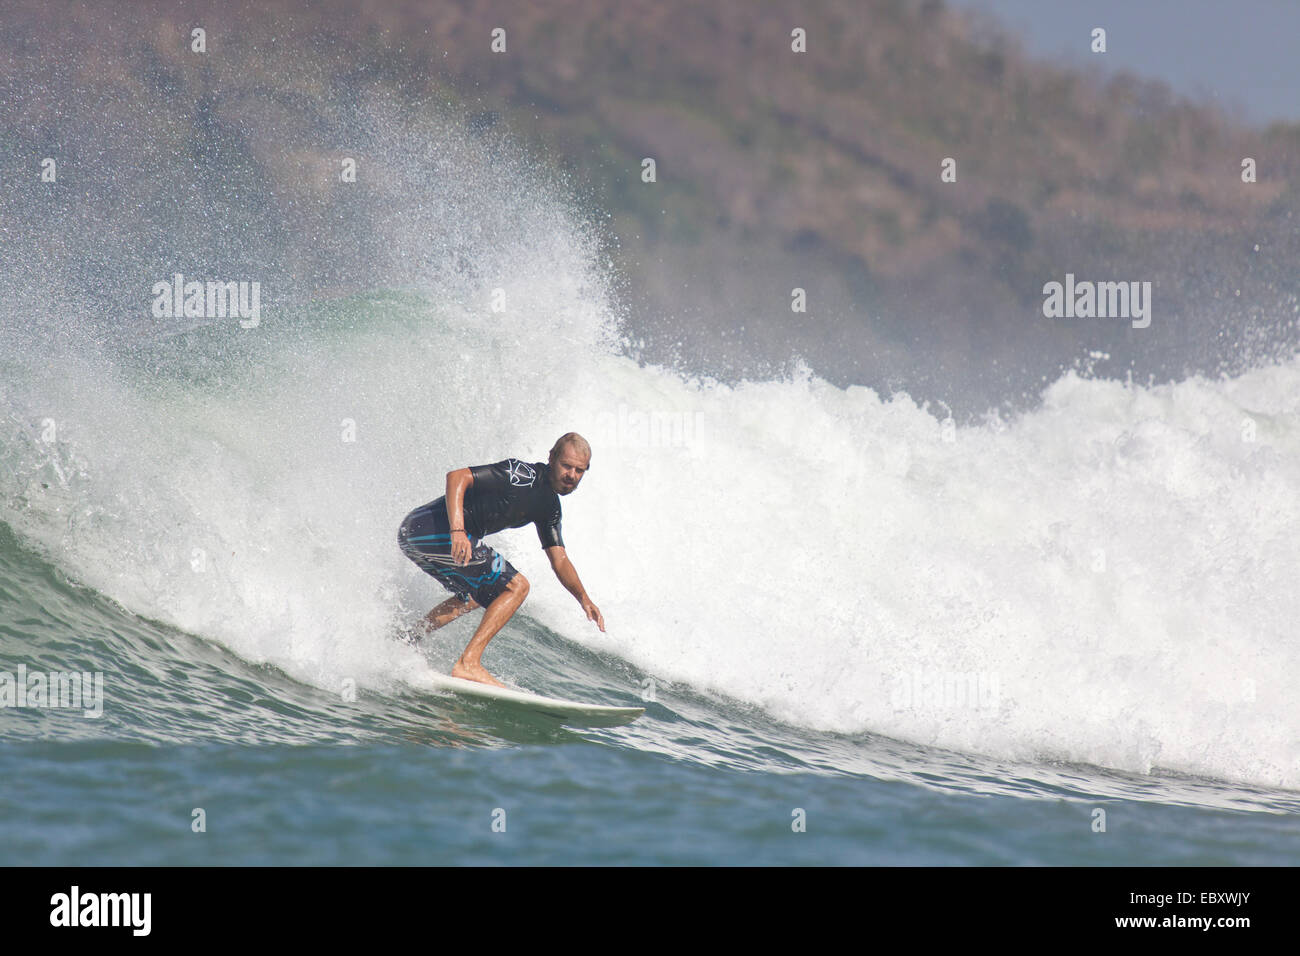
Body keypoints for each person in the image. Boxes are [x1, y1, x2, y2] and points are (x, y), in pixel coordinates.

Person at [397, 432, 604, 687]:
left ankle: (408, 638)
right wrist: (458, 530)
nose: (571, 475)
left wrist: (584, 599)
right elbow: (457, 477)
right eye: (566, 466)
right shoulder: (521, 475)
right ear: (551, 458)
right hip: (429, 528)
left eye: (579, 470)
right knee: (517, 586)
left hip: (413, 534)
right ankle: (469, 663)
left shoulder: (549, 507)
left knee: (477, 593)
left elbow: (559, 559)